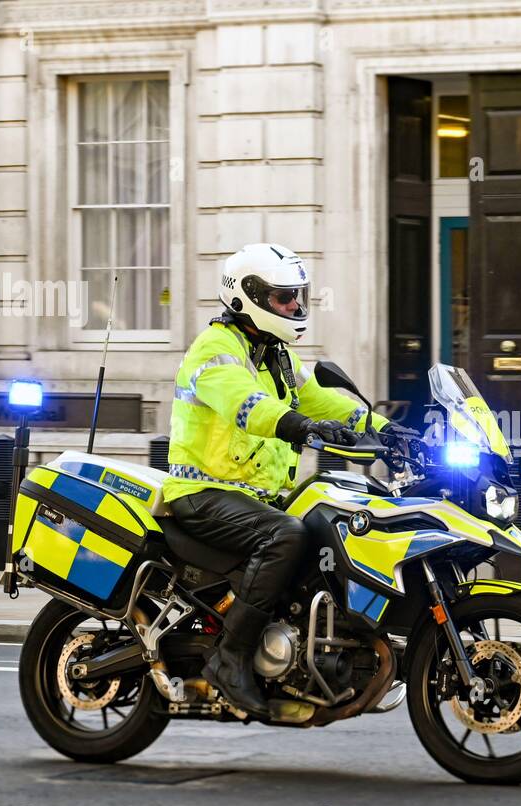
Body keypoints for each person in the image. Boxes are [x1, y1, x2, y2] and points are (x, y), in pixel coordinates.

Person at [163, 242, 391, 717]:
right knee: (286, 535)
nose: (295, 306)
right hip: (203, 493)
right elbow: (247, 406)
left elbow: (322, 400)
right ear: (249, 296)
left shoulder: (274, 354)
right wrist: (300, 426)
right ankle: (231, 657)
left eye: (298, 296)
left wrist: (386, 429)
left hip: (255, 495)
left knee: (331, 525)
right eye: (285, 297)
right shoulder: (215, 350)